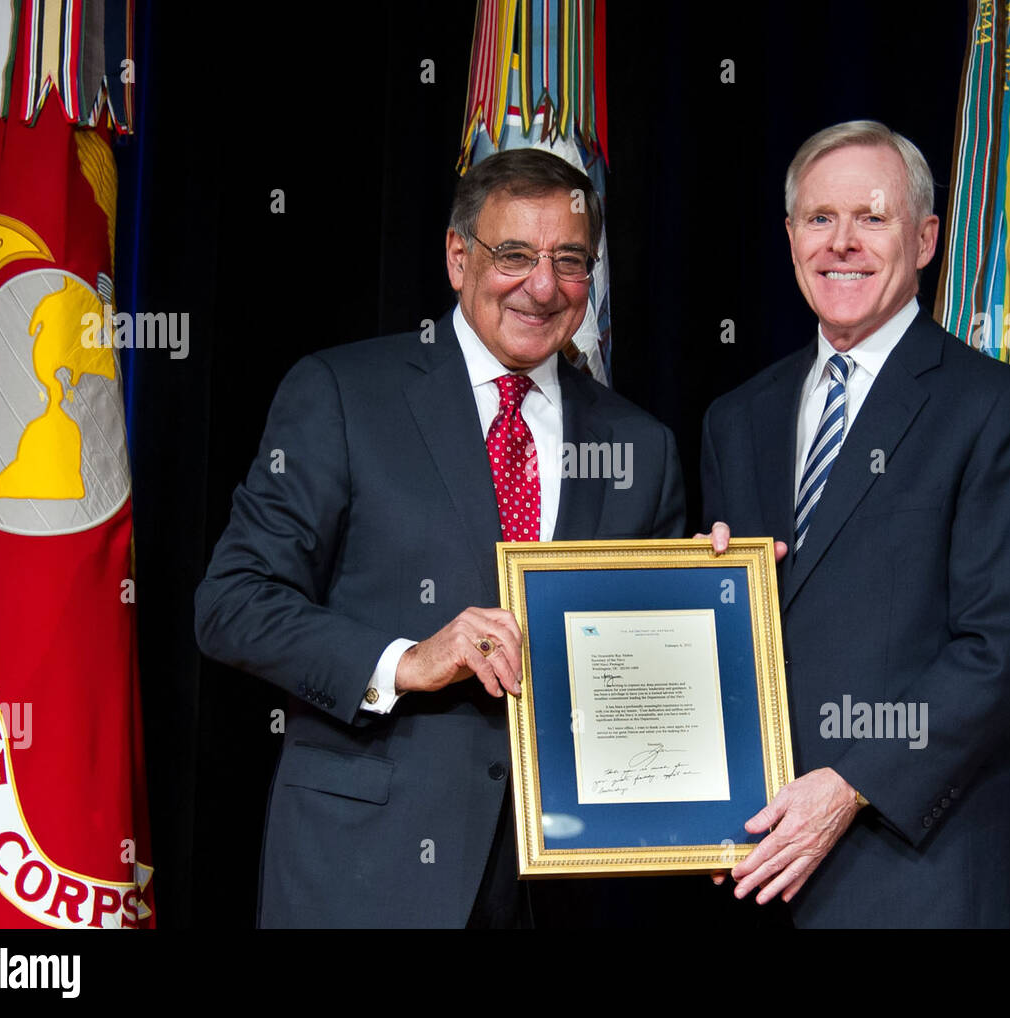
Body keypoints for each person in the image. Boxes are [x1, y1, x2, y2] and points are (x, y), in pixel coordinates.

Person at [194, 148, 685, 928]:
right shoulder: (343, 394)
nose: (542, 285)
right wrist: (406, 661)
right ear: (459, 257)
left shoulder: (642, 447)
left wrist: (713, 590)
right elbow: (232, 605)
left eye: (569, 261)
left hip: (560, 886)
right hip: (366, 868)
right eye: (514, 255)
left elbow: (653, 667)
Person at [699, 121, 1010, 927]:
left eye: (872, 218)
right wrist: (700, 596)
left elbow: (1003, 642)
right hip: (752, 869)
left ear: (927, 238)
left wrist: (849, 784)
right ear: (792, 237)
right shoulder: (738, 417)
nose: (843, 244)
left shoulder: (998, 409)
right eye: (820, 219)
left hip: (915, 873)